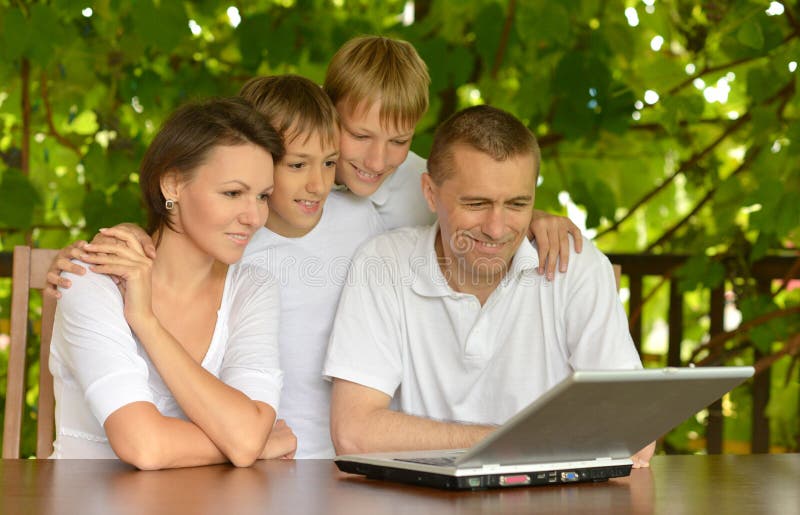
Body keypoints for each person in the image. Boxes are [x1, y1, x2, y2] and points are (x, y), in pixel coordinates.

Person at [323, 105, 655, 467]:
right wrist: (518, 443)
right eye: (477, 203)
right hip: (424, 496)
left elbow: (634, 438)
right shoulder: (384, 263)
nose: (496, 229)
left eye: (517, 204)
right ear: (430, 193)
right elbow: (354, 433)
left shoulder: (574, 266)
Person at [49, 97, 296, 469]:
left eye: (262, 196)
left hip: (209, 499)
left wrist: (146, 322)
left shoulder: (252, 289)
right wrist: (248, 444)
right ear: (173, 184)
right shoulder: (90, 280)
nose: (255, 217)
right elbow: (144, 446)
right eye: (233, 193)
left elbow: (246, 438)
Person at [323, 35, 583, 279]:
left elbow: (482, 208)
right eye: (360, 136)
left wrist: (533, 220)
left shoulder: (425, 185)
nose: (377, 161)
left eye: (398, 141)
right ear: (327, 112)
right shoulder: (297, 160)